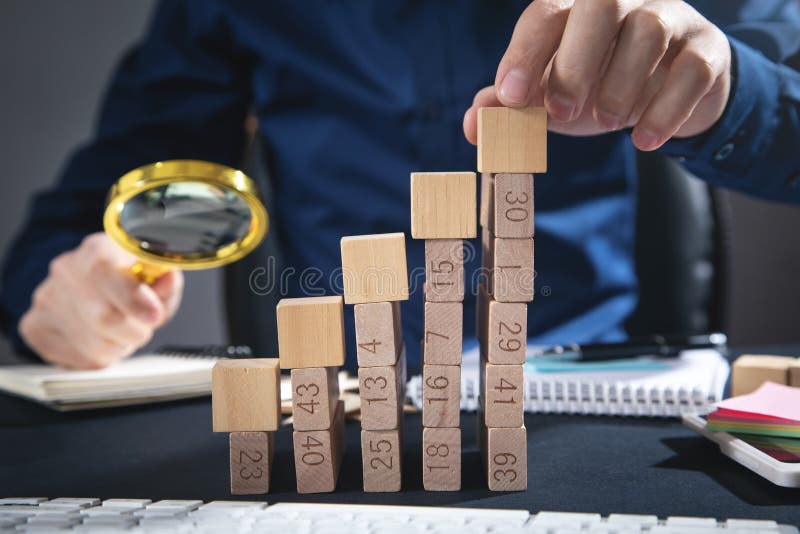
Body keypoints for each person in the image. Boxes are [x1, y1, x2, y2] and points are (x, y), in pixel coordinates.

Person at [1, 0, 799, 371]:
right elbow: (92, 212)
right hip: (339, 405)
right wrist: (64, 294)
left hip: (594, 386)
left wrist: (725, 88)